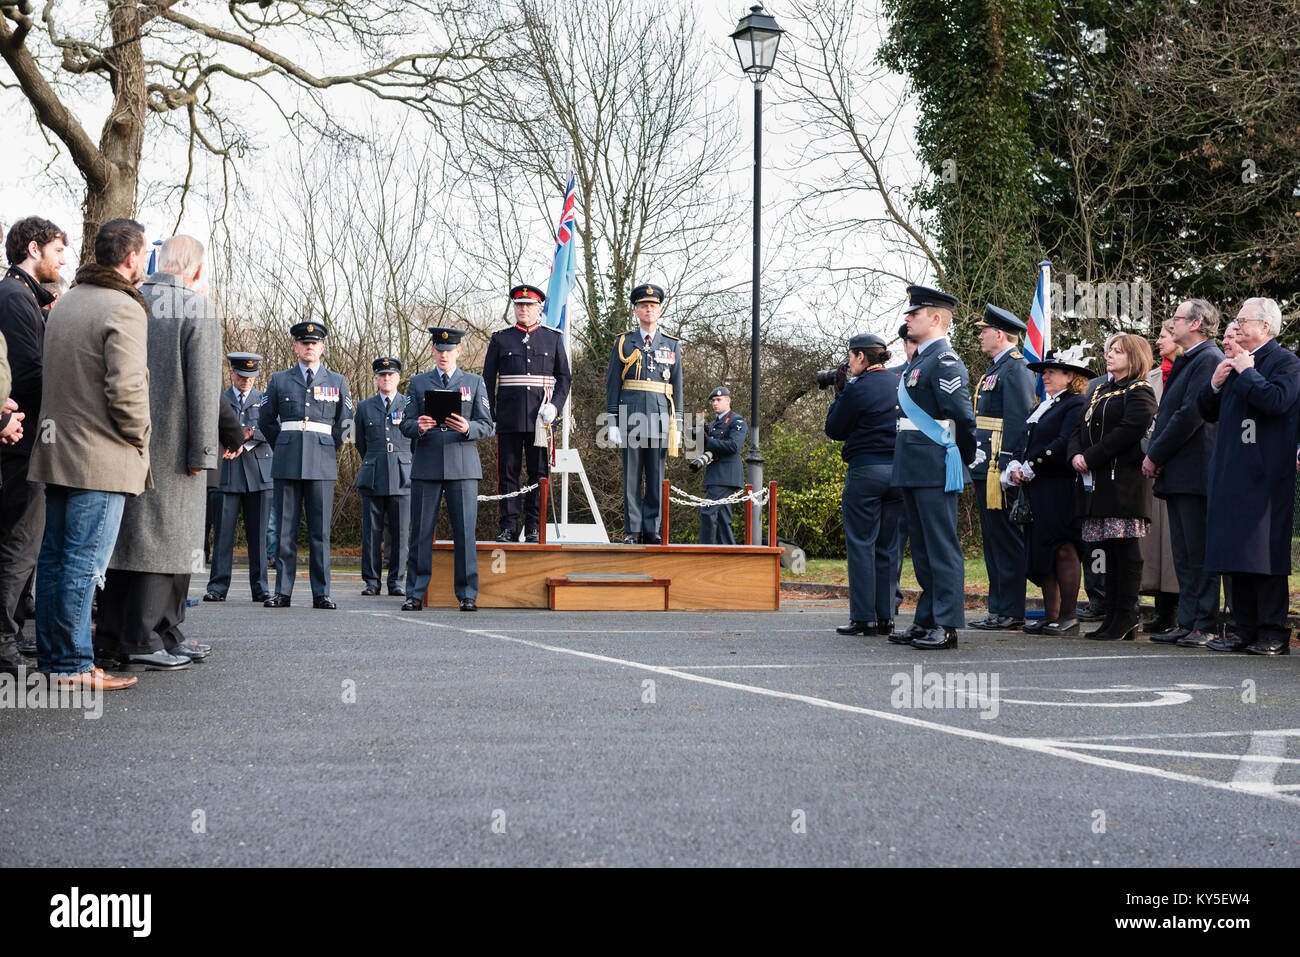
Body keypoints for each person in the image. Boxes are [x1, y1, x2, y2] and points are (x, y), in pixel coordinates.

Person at [28, 218, 153, 690]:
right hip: (101, 456)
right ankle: (74, 665)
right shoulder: (123, 308)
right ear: (131, 257)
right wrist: (140, 436)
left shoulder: (68, 301)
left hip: (56, 450)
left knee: (56, 560)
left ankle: (55, 661)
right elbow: (126, 390)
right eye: (142, 254)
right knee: (83, 564)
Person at [96, 235, 222, 671]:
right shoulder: (198, 309)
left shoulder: (126, 299)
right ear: (197, 270)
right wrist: (203, 452)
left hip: (123, 439)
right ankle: (146, 638)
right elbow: (205, 389)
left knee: (129, 540)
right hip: (175, 447)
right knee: (166, 543)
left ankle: (134, 634)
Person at [1198, 298, 1300, 655]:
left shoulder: (1286, 362)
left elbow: (1276, 401)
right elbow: (1206, 412)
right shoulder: (1232, 363)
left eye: (1243, 320)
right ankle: (1243, 630)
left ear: (1265, 328)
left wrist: (1247, 371)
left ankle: (1272, 633)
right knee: (1233, 552)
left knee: (1263, 555)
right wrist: (1213, 383)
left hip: (1265, 475)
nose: (1236, 326)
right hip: (1229, 472)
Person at [886, 285, 979, 651]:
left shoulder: (944, 361)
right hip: (912, 464)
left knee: (941, 548)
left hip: (935, 464)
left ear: (936, 319)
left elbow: (961, 418)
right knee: (922, 551)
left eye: (914, 313)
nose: (907, 319)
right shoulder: (920, 361)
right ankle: (926, 618)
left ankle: (947, 624)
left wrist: (960, 457)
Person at [0, 216, 67, 676]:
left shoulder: (26, 297)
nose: (63, 260)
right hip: (21, 439)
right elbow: (28, 373)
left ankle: (13, 635)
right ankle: (3, 642)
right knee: (19, 541)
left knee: (26, 540)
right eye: (58, 250)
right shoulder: (13, 296)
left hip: (29, 436)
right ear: (32, 248)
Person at [1142, 301, 1225, 647]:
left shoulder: (1208, 358)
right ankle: (1188, 619)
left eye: (1177, 318)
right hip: (1178, 469)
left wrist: (1155, 453)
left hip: (1194, 469)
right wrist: (1156, 453)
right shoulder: (1191, 358)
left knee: (1199, 551)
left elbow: (1190, 415)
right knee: (1184, 554)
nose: (1171, 323)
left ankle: (1204, 623)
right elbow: (1168, 414)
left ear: (1195, 323)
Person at [1067, 332, 1158, 641]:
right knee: (1106, 550)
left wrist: (1091, 456)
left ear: (1134, 357)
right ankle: (1112, 616)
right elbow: (1079, 428)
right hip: (1097, 483)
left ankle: (1127, 616)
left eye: (1117, 352)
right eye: (1109, 350)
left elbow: (1130, 430)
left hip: (1123, 483)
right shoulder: (1100, 390)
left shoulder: (1139, 390)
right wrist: (1075, 455)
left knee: (1124, 550)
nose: (1109, 355)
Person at [399, 327, 494, 611]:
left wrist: (468, 427)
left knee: (465, 533)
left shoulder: (474, 383)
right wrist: (418, 426)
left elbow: (487, 424)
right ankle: (415, 594)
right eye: (439, 350)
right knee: (421, 533)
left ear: (458, 352)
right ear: (433, 351)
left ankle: (467, 594)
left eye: (449, 350)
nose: (444, 355)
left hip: (462, 465)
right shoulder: (417, 383)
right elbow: (404, 423)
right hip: (427, 464)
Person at [259, 321, 352, 609]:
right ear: (296, 346)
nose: (309, 347)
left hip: (322, 463)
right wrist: (283, 444)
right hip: (287, 461)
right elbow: (265, 420)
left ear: (322, 347)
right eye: (303, 342)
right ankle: (282, 592)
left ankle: (321, 592)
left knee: (320, 531)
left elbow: (346, 425)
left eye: (314, 343)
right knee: (285, 531)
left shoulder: (337, 381)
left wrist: (327, 448)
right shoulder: (278, 380)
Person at [1005, 346, 1091, 635]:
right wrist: (1016, 463)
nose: (1045, 376)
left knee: (1063, 548)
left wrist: (1032, 465)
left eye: (1052, 371)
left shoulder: (1076, 404)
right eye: (1044, 372)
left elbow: (1064, 441)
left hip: (1060, 485)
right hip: (1038, 487)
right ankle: (1050, 614)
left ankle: (1068, 615)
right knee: (1042, 550)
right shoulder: (1045, 405)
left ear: (1070, 375)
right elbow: (1024, 439)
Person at [482, 284, 572, 543]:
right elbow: (487, 380)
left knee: (539, 474)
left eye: (529, 305)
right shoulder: (500, 338)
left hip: (540, 420)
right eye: (519, 305)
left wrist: (554, 406)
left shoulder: (552, 338)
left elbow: (564, 378)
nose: (523, 309)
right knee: (508, 473)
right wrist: (491, 415)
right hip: (508, 418)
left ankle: (534, 527)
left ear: (539, 308)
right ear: (514, 308)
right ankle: (509, 527)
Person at [825, 333, 901, 637]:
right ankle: (887, 617)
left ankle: (863, 617)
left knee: (861, 544)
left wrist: (840, 393)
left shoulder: (859, 388)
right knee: (888, 547)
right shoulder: (899, 382)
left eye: (850, 356)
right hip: (899, 471)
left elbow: (835, 429)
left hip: (867, 469)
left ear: (859, 356)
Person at [968, 304, 1037, 631]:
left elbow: (1019, 419)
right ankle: (998, 608)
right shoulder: (995, 370)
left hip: (1001, 466)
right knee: (993, 539)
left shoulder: (1016, 369)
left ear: (999, 334)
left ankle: (1011, 609)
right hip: (985, 464)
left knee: (1007, 540)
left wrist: (1011, 465)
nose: (980, 336)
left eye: (984, 331)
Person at [605, 283, 683, 544]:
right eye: (644, 306)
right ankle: (633, 530)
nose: (649, 309)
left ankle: (652, 528)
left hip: (661, 418)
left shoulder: (671, 344)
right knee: (631, 477)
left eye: (653, 306)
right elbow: (613, 383)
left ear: (659, 311)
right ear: (636, 311)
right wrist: (613, 420)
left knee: (656, 475)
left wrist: (678, 423)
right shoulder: (624, 342)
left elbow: (677, 387)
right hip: (631, 417)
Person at [205, 352, 274, 603]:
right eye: (242, 376)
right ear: (232, 373)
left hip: (258, 473)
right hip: (226, 472)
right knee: (223, 533)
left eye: (251, 376)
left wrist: (248, 437)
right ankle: (217, 587)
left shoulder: (265, 400)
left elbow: (273, 427)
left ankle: (261, 587)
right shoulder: (219, 398)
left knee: (258, 535)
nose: (246, 381)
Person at [1136, 321, 1182, 636]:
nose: (1159, 339)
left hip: (1180, 469)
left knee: (1177, 547)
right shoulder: (1151, 379)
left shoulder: (1195, 370)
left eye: (1165, 335)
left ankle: (1180, 614)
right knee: (1155, 549)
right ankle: (1164, 611)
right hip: (1152, 468)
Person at [355, 356, 412, 596]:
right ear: (376, 378)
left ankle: (396, 580)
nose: (386, 378)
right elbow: (360, 442)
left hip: (402, 474)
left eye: (391, 375)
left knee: (400, 533)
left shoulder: (409, 404)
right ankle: (371, 581)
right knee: (371, 532)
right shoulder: (364, 407)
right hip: (374, 472)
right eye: (382, 375)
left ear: (398, 378)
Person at [888, 323, 917, 615]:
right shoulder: (892, 376)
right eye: (909, 342)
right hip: (894, 463)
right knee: (893, 542)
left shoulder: (937, 370)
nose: (912, 347)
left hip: (922, 466)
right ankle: (890, 600)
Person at [698, 386, 747, 545]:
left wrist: (708, 441)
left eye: (718, 400)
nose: (715, 403)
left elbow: (734, 446)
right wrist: (697, 438)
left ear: (728, 400)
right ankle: (730, 553)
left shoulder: (737, 421)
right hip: (716, 475)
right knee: (722, 519)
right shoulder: (712, 424)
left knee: (707, 511)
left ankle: (704, 552)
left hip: (726, 475)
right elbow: (705, 449)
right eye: (713, 401)